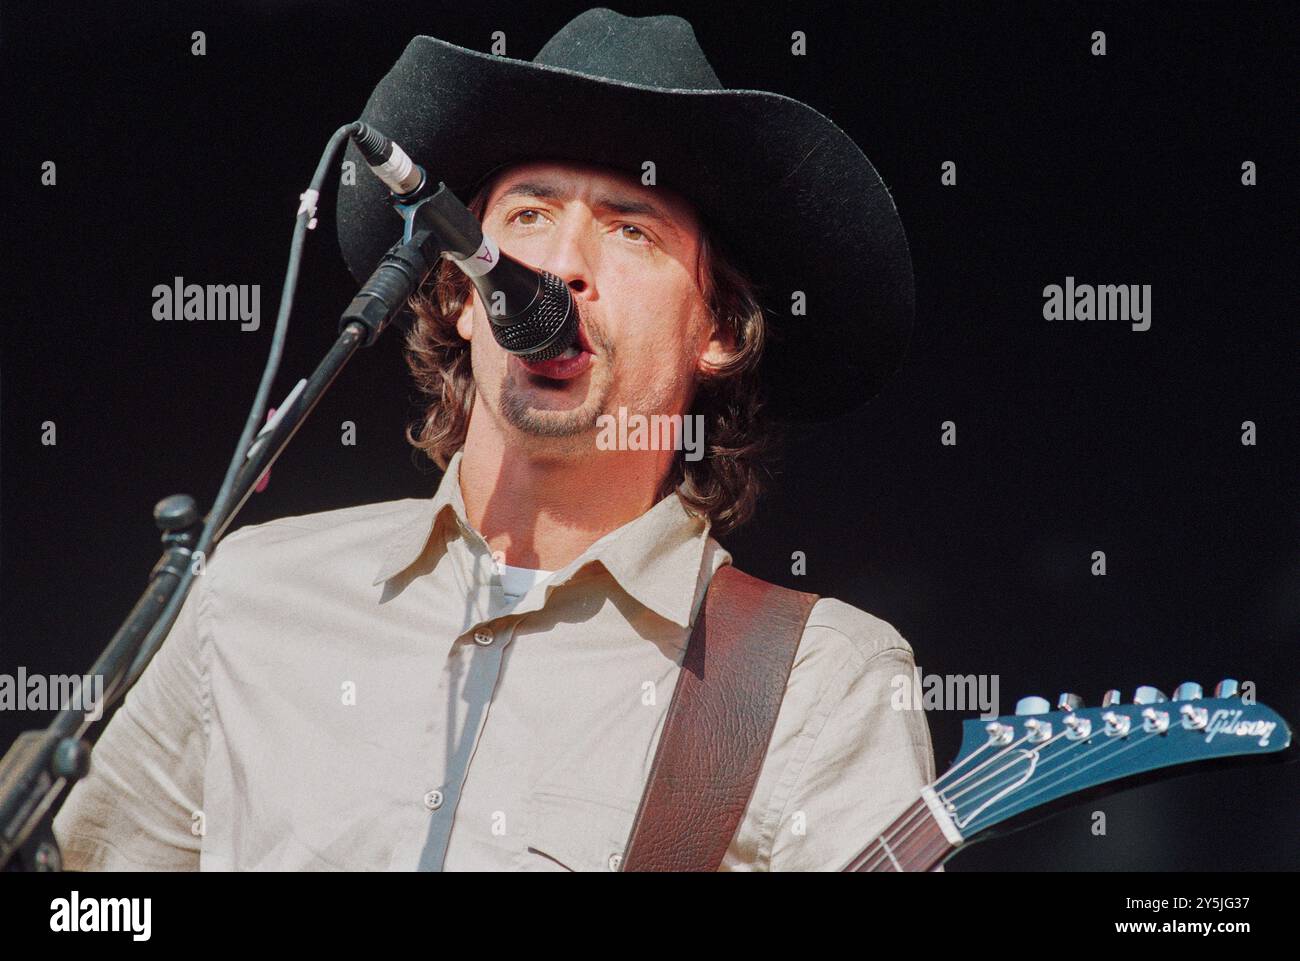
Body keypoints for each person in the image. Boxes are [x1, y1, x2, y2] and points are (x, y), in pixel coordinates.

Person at [53, 8, 933, 871]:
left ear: (720, 330)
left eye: (632, 230)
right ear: (462, 295)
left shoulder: (819, 683)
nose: (561, 265)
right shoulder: (247, 599)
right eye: (528, 217)